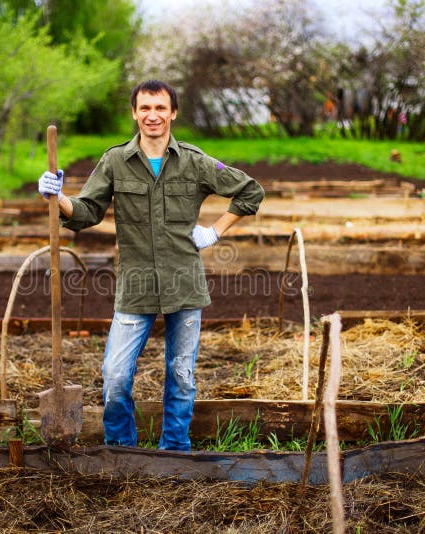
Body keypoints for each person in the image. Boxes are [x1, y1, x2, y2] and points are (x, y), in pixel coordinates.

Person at [38, 80, 264, 451]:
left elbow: (250, 190)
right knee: (114, 375)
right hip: (136, 286)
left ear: (173, 113)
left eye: (160, 108)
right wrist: (58, 196)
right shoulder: (116, 160)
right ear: (134, 113)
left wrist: (215, 231)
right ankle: (121, 450)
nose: (152, 116)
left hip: (184, 283)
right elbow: (87, 211)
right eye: (145, 108)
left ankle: (174, 451)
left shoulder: (194, 161)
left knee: (181, 375)